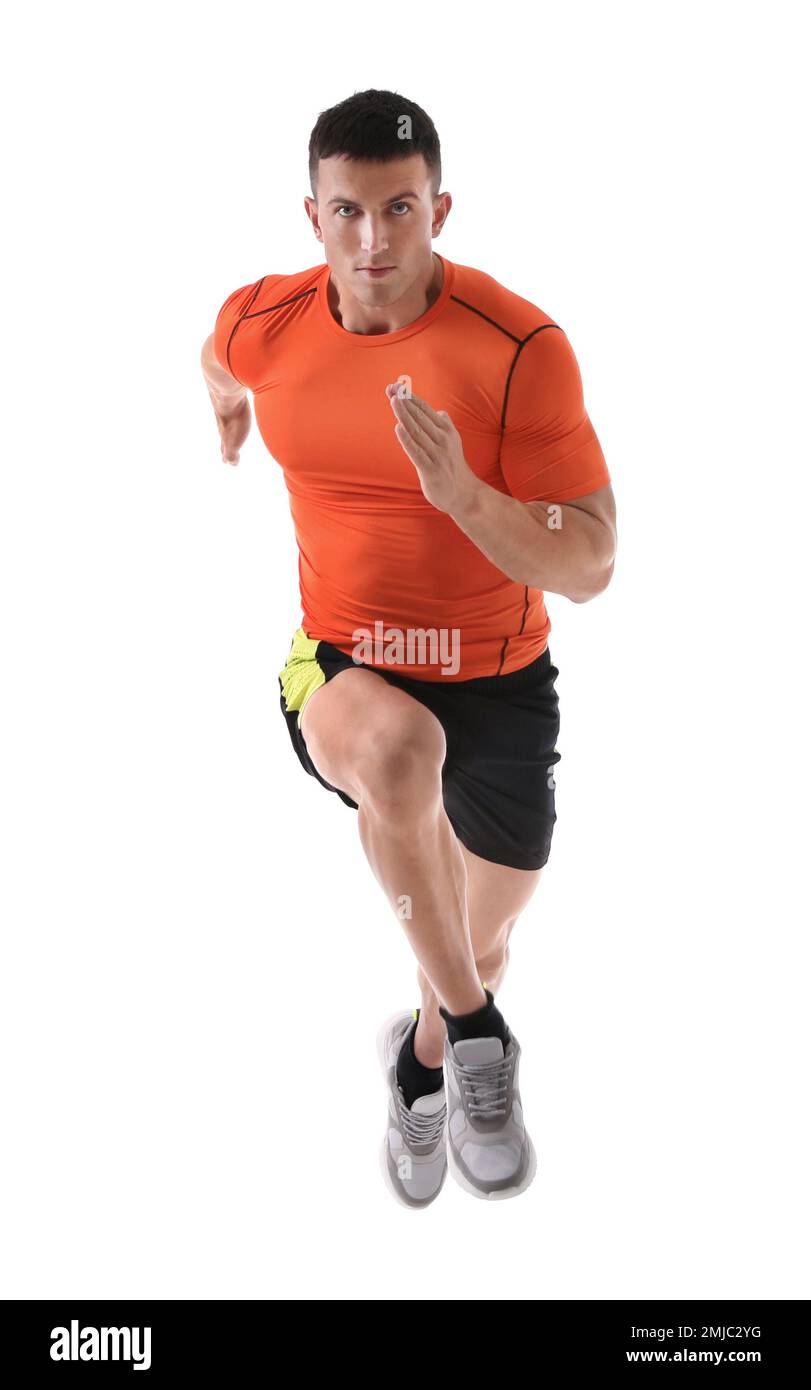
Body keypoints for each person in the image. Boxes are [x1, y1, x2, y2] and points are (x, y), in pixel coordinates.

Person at [200, 88, 617, 1207]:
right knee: (395, 753)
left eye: (398, 209)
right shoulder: (265, 322)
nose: (372, 240)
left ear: (439, 206)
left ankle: (427, 1054)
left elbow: (589, 562)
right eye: (347, 212)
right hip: (343, 663)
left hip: (500, 681)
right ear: (312, 213)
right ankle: (481, 1045)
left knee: (470, 952)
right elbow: (219, 354)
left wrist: (469, 499)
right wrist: (225, 408)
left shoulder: (518, 347)